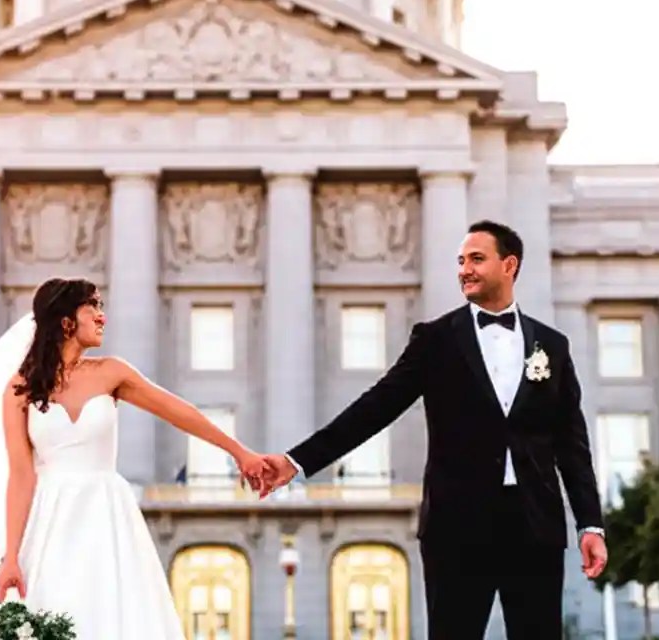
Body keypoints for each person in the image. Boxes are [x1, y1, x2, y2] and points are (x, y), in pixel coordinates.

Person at [0, 277, 270, 639]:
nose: (103, 314)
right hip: (49, 520)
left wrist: (241, 453)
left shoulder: (112, 372)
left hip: (105, 512)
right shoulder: (19, 389)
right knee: (50, 612)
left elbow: (181, 413)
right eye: (93, 307)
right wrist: (11, 555)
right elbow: (21, 474)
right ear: (67, 321)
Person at [255, 219, 609, 639]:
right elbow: (375, 408)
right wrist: (297, 461)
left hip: (534, 524)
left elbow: (571, 442)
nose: (464, 269)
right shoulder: (436, 340)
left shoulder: (552, 345)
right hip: (457, 525)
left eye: (477, 259)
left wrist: (590, 523)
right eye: (460, 261)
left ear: (509, 264)